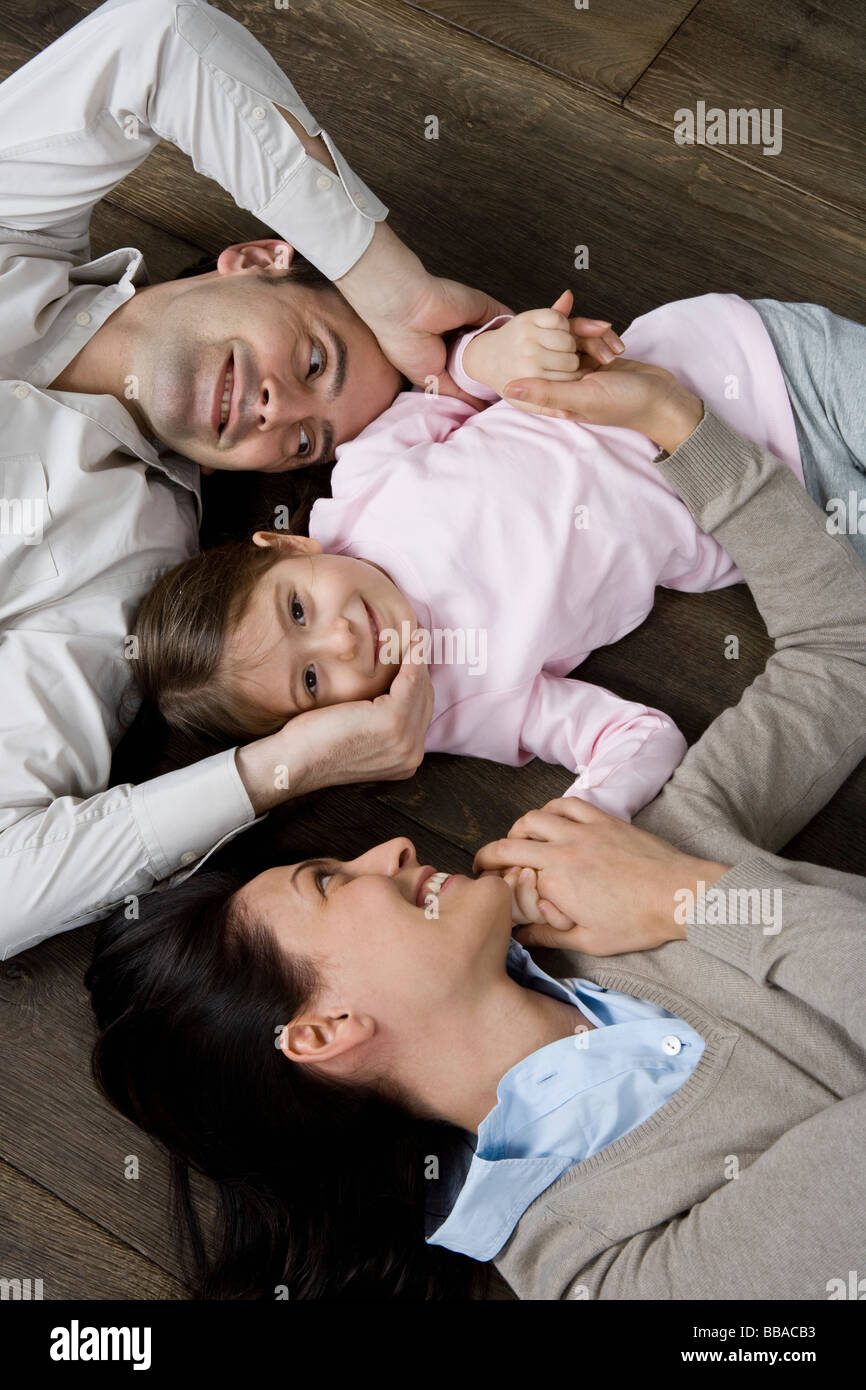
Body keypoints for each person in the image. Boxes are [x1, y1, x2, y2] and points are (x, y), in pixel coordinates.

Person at [87, 363, 866, 1299]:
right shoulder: (607, 1270)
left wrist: (681, 425)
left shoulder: (603, 876)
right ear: (325, 1030)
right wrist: (688, 901)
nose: (397, 848)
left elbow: (840, 656)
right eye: (330, 882)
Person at [0, 0, 525, 959]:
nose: (279, 411)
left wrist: (282, 766)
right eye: (318, 360)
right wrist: (389, 286)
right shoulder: (11, 240)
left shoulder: (123, 563)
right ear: (256, 259)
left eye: (304, 444)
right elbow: (156, 35)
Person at [131, 289, 864, 823]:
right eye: (314, 679)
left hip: (737, 361)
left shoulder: (363, 485)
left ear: (288, 544)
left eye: (298, 608)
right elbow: (638, 737)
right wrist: (581, 819)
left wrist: (499, 351)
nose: (342, 636)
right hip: (786, 523)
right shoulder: (457, 706)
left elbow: (447, 380)